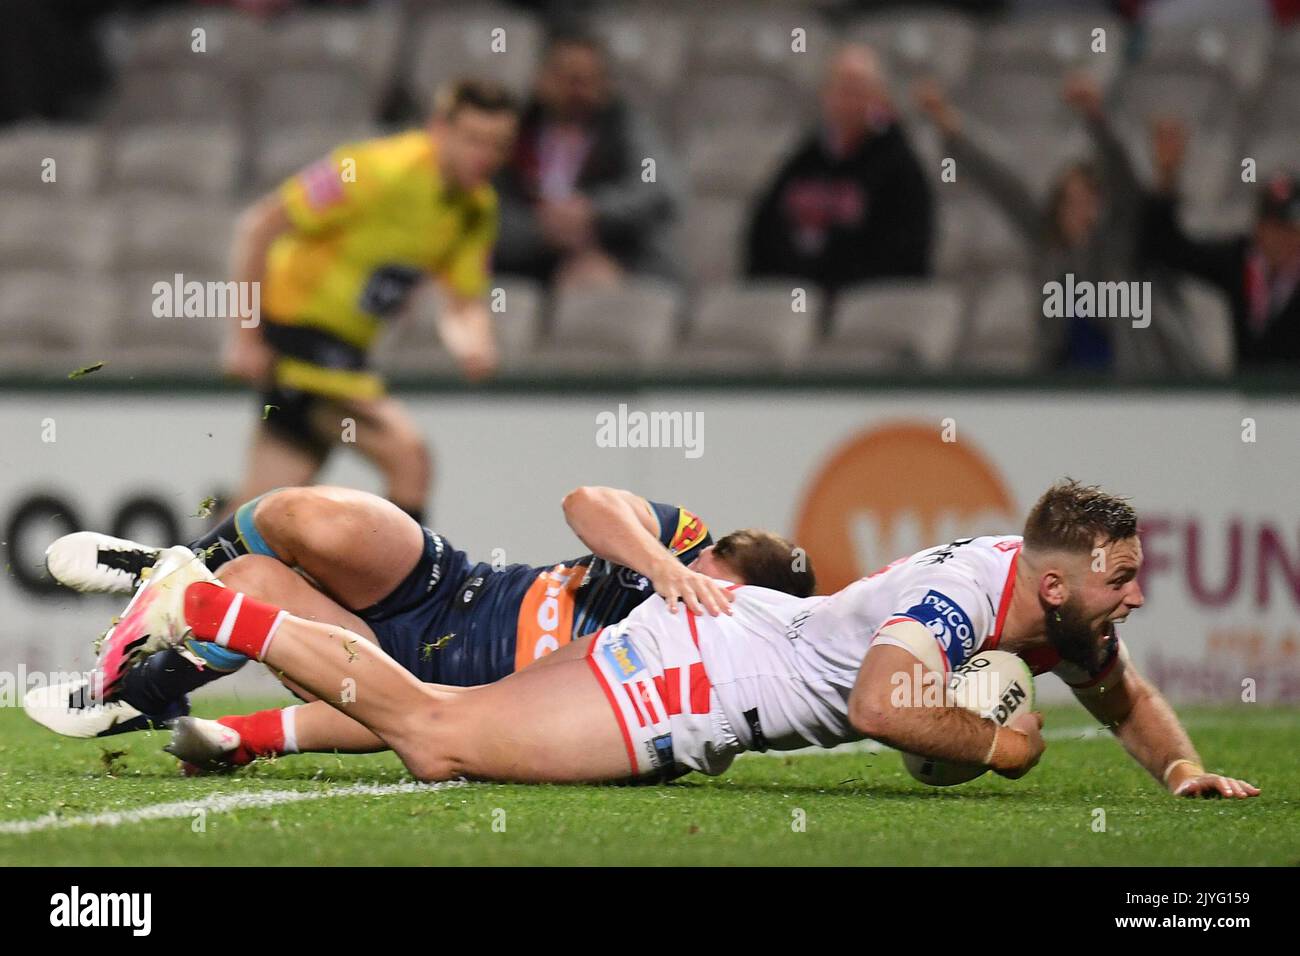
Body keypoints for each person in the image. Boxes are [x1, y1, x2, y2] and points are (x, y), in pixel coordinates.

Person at [123, 479, 1253, 798]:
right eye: (1120, 578)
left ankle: (226, 618)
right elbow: (877, 705)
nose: (1136, 594)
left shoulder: (1048, 608)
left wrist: (1183, 764)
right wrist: (1004, 746)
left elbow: (1128, 698)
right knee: (435, 736)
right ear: (1051, 584)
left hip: (712, 648)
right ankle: (212, 604)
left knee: (436, 725)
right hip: (704, 674)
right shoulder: (964, 597)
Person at [32, 486, 814, 757]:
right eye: (706, 569)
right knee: (310, 517)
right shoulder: (679, 550)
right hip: (453, 586)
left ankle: (141, 693)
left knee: (249, 586)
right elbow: (585, 502)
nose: (699, 585)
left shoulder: (688, 686)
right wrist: (666, 565)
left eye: (717, 587)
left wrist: (251, 735)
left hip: (412, 680)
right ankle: (171, 570)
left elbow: (415, 728)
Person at [221, 79, 518, 526]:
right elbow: (259, 227)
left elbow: (462, 301)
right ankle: (407, 593)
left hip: (346, 353)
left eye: (498, 146)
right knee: (409, 460)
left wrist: (473, 344)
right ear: (439, 128)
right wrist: (245, 336)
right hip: (297, 337)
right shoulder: (374, 170)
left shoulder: (477, 207)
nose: (485, 156)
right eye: (474, 140)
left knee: (261, 513)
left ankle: (182, 581)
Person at [915, 72, 1204, 376]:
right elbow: (1006, 185)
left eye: (1090, 202)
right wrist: (946, 122)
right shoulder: (1049, 248)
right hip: (1065, 390)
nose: (1080, 212)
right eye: (1071, 202)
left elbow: (1122, 180)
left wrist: (1096, 119)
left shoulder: (1119, 250)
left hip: (1127, 386)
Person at [492, 30, 682, 287]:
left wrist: (593, 210)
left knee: (589, 282)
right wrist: (539, 228)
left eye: (587, 80)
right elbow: (486, 203)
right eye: (567, 78)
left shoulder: (626, 130)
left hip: (616, 256)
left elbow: (658, 189)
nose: (577, 90)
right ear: (541, 79)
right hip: (525, 261)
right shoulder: (513, 134)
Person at [745, 44, 933, 297]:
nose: (849, 100)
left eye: (859, 90)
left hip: (863, 306)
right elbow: (763, 236)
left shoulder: (900, 169)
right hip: (797, 301)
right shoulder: (804, 160)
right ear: (826, 94)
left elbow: (904, 260)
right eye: (842, 89)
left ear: (880, 98)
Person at [1145, 119, 1300, 369]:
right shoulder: (1241, 260)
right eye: (1276, 229)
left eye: (1291, 231)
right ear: (1260, 228)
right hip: (1248, 400)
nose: (1285, 240)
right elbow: (1170, 250)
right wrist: (1167, 178)